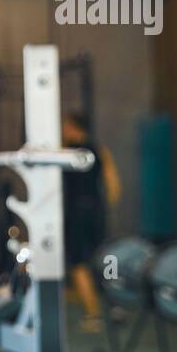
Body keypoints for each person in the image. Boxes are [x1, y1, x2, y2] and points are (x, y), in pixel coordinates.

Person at [61, 111, 122, 331]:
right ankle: (115, 307)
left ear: (73, 127)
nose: (63, 130)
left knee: (79, 264)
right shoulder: (99, 150)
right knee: (105, 260)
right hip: (96, 211)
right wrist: (107, 210)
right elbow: (114, 184)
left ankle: (94, 316)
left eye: (65, 126)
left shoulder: (65, 154)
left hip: (75, 213)